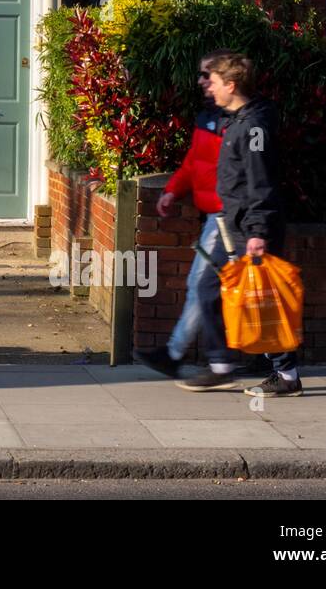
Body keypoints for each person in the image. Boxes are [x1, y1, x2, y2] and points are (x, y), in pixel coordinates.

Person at [177, 51, 302, 396]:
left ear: (231, 85)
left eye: (213, 81)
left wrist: (258, 233)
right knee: (211, 290)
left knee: (259, 300)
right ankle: (222, 367)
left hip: (249, 230)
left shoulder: (253, 126)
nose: (207, 87)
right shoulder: (236, 119)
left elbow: (261, 182)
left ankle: (287, 374)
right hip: (231, 225)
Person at [131, 51, 228, 379]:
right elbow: (194, 161)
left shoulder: (235, 121)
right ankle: (259, 360)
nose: (200, 81)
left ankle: (187, 356)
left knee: (202, 283)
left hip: (225, 217)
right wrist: (173, 189)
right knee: (208, 285)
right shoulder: (207, 117)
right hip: (214, 215)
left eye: (206, 75)